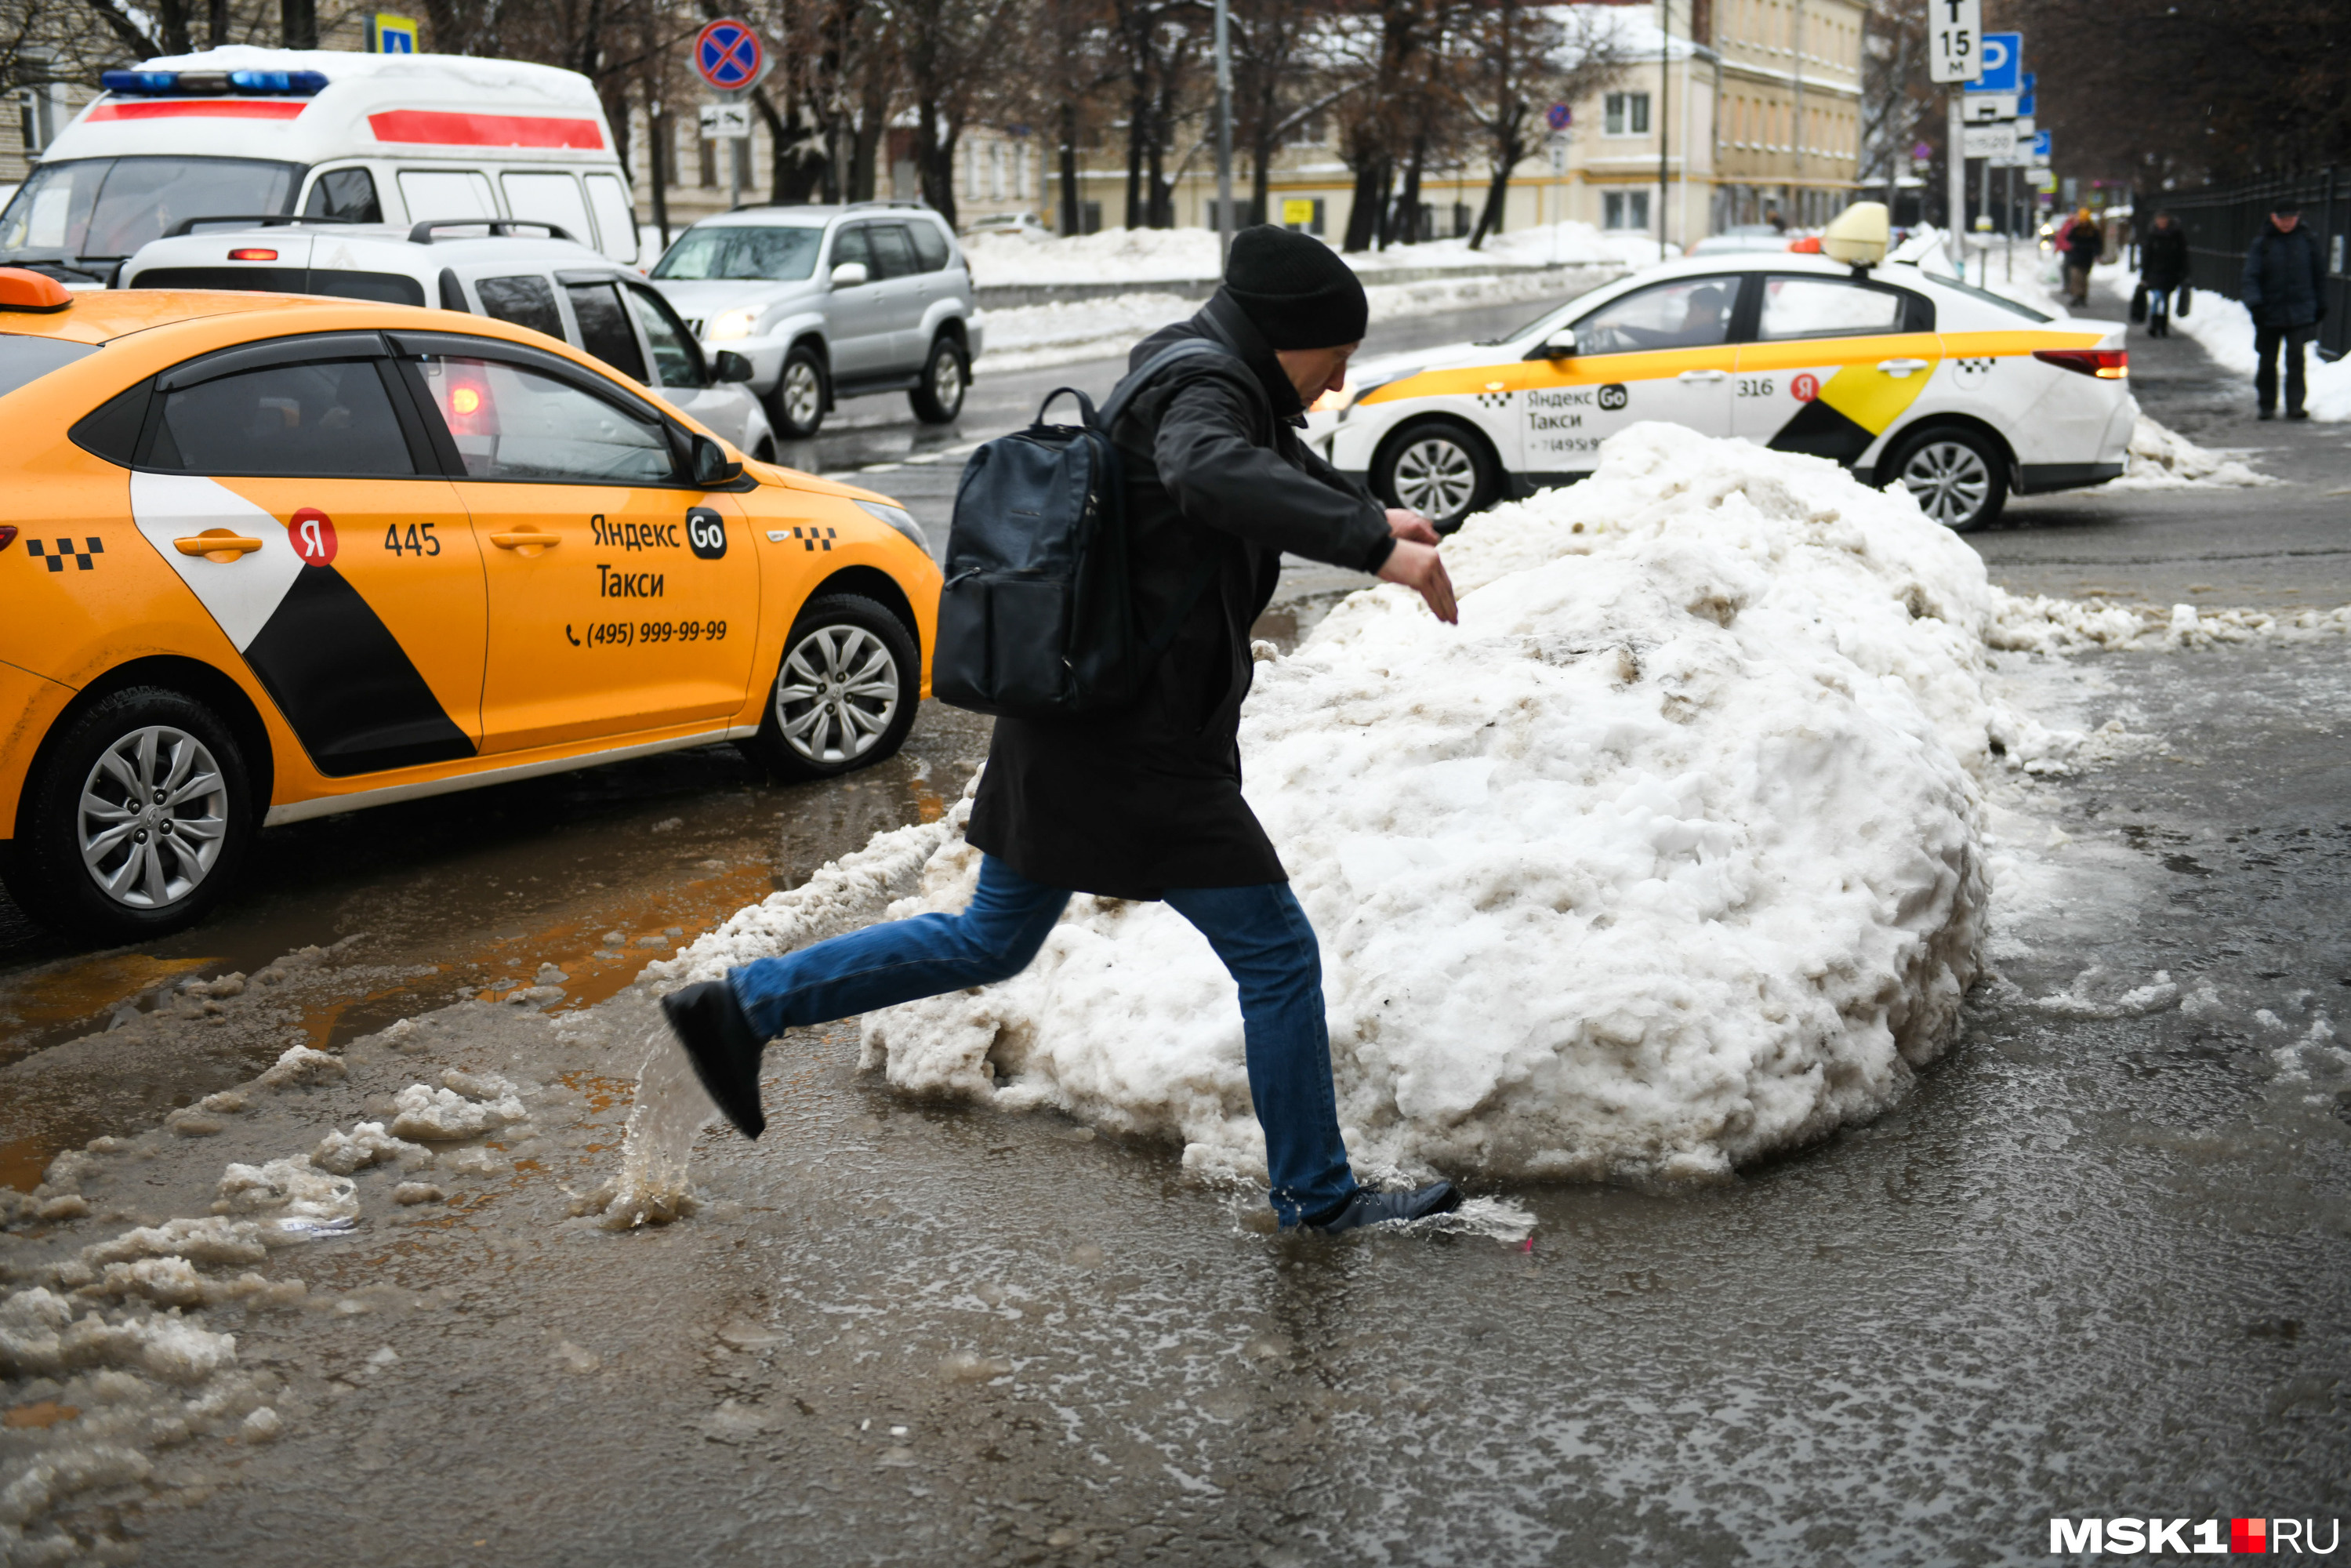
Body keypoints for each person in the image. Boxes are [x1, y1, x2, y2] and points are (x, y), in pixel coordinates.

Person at [659, 225, 1467, 1236]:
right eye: (1336, 357)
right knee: (1277, 956)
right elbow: (1210, 470)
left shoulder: (1197, 367)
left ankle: (741, 1007)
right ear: (1289, 337)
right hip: (1139, 745)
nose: (1337, 380)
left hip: (1078, 722)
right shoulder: (1207, 392)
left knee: (989, 936)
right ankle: (1318, 1193)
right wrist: (1366, 546)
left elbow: (1271, 462)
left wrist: (1365, 511)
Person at [2240, 200, 2327, 421]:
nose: (2287, 223)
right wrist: (2255, 305)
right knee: (2268, 360)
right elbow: (2250, 277)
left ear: (2298, 217)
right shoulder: (2263, 243)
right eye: (2283, 219)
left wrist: (2321, 303)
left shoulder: (2307, 241)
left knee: (2296, 358)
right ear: (2273, 218)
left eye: (2291, 218)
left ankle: (2295, 405)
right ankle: (2267, 404)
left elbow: (2319, 275)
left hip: (2300, 311)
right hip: (2269, 312)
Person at [2139, 211, 2189, 339]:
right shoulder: (2152, 235)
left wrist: (2184, 273)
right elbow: (2147, 257)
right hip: (2155, 273)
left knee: (2166, 299)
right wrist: (2144, 276)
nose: (2161, 222)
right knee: (2157, 297)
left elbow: (2183, 256)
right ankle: (2154, 325)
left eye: (2164, 219)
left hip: (2170, 273)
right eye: (2159, 220)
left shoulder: (2176, 235)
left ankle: (2163, 326)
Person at [2060, 208, 2102, 308]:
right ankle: (2076, 296)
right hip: (2076, 258)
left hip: (2086, 258)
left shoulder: (2093, 230)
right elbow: (2068, 237)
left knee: (2083, 278)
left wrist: (2097, 254)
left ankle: (2082, 296)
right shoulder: (2076, 229)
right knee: (2075, 277)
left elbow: (2098, 244)